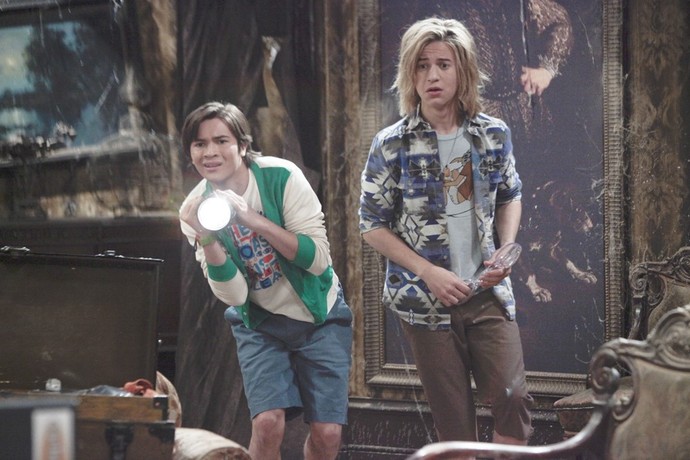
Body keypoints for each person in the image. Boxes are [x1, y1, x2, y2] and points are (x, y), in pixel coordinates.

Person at [359, 18, 533, 445]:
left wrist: (507, 246)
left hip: (486, 292)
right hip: (426, 301)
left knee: (512, 398)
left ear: (463, 71)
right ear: (410, 74)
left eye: (443, 64)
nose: (432, 76)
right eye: (421, 66)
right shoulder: (392, 144)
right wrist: (428, 272)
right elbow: (371, 225)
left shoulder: (492, 134)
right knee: (453, 422)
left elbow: (511, 194)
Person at [179, 101, 352, 460]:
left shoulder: (281, 176)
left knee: (327, 432)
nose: (210, 152)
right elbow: (235, 295)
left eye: (221, 141)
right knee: (268, 423)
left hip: (318, 313)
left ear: (242, 145)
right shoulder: (194, 210)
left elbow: (318, 261)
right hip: (259, 322)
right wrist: (206, 237)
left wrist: (252, 220)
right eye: (199, 144)